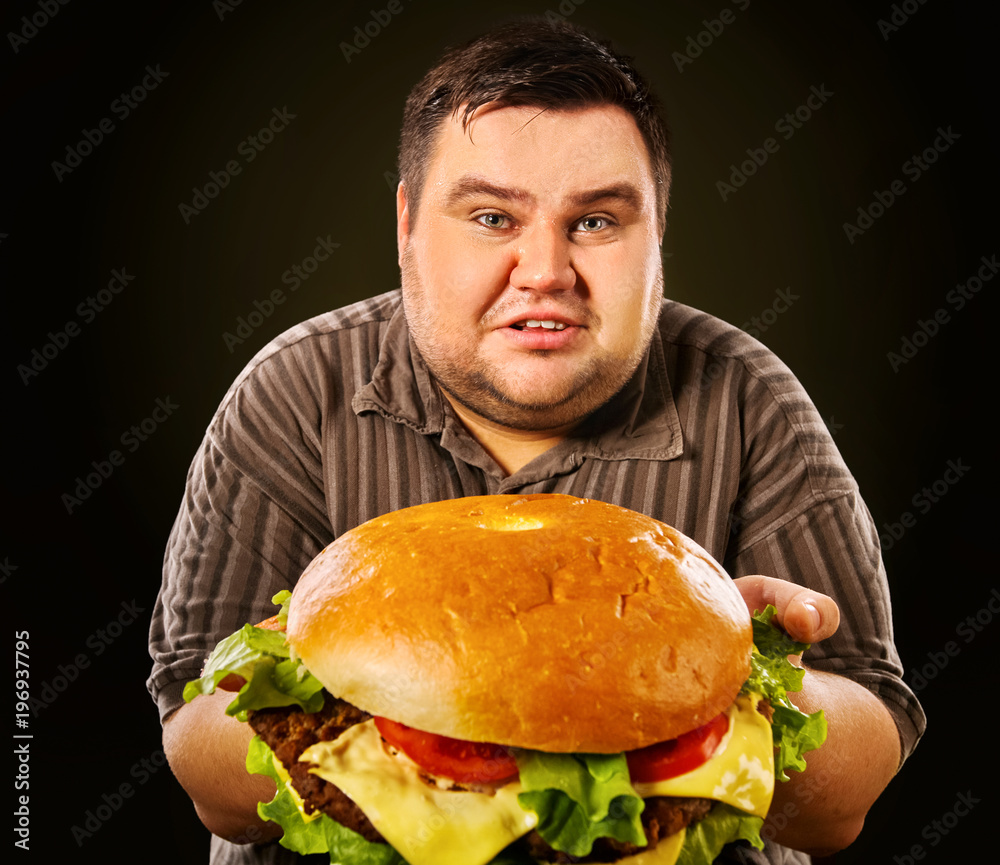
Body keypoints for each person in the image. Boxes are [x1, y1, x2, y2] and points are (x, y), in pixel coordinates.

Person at [148, 17, 925, 864]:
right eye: (492, 217)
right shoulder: (295, 391)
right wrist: (393, 705)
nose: (546, 270)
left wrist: (742, 677)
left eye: (595, 222)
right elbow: (202, 759)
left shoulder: (752, 399)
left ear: (658, 234)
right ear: (407, 224)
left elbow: (849, 793)